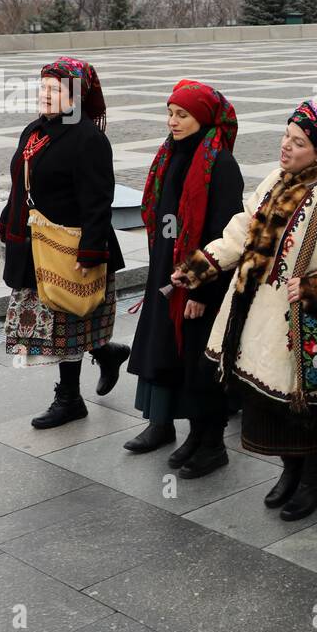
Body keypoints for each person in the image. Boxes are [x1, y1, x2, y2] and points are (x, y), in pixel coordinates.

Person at [173, 101, 317, 520]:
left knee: (306, 411)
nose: (285, 146)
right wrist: (202, 265)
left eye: (297, 142)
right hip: (259, 317)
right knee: (274, 408)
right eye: (286, 136)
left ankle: (311, 482)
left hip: (305, 324)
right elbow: (241, 229)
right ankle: (290, 472)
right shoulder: (273, 181)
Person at [0, 56, 128, 429]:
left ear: (76, 96)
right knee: (60, 321)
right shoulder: (34, 131)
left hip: (71, 248)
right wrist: (8, 223)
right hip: (35, 241)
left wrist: (89, 251)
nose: (46, 95)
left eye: (56, 89)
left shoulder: (88, 138)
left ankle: (70, 399)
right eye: (43, 87)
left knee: (67, 320)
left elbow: (98, 200)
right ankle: (106, 352)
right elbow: (19, 183)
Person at [124, 80, 243, 476]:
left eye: (183, 115)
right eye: (170, 113)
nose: (173, 121)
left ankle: (211, 443)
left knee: (199, 361)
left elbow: (221, 232)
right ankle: (188, 433)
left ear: (203, 118)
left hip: (200, 278)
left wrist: (202, 290)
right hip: (169, 269)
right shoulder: (172, 152)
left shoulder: (219, 164)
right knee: (171, 352)